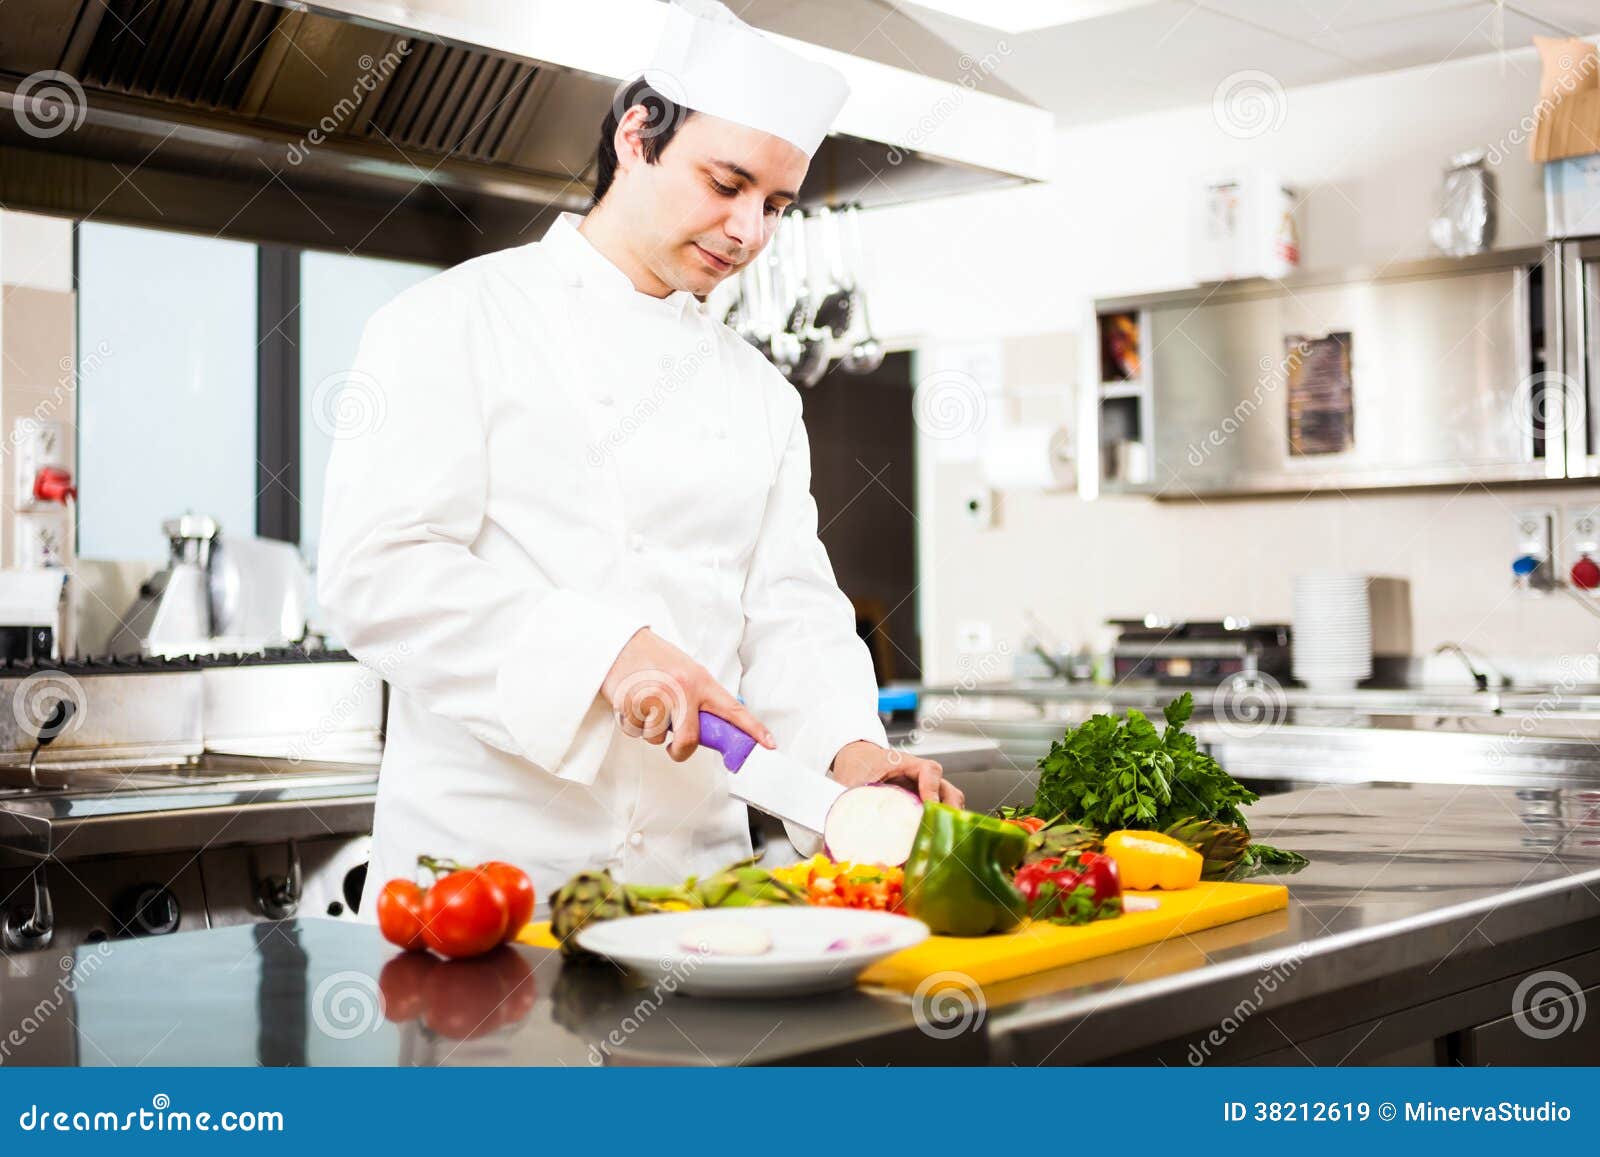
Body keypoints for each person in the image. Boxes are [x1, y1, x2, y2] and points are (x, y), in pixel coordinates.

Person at [318, 0, 961, 911]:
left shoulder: (760, 394)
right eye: (726, 183)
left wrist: (851, 755)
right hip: (488, 886)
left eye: (775, 205)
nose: (750, 233)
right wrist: (613, 652)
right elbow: (375, 578)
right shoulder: (453, 322)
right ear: (635, 136)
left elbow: (789, 619)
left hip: (694, 889)